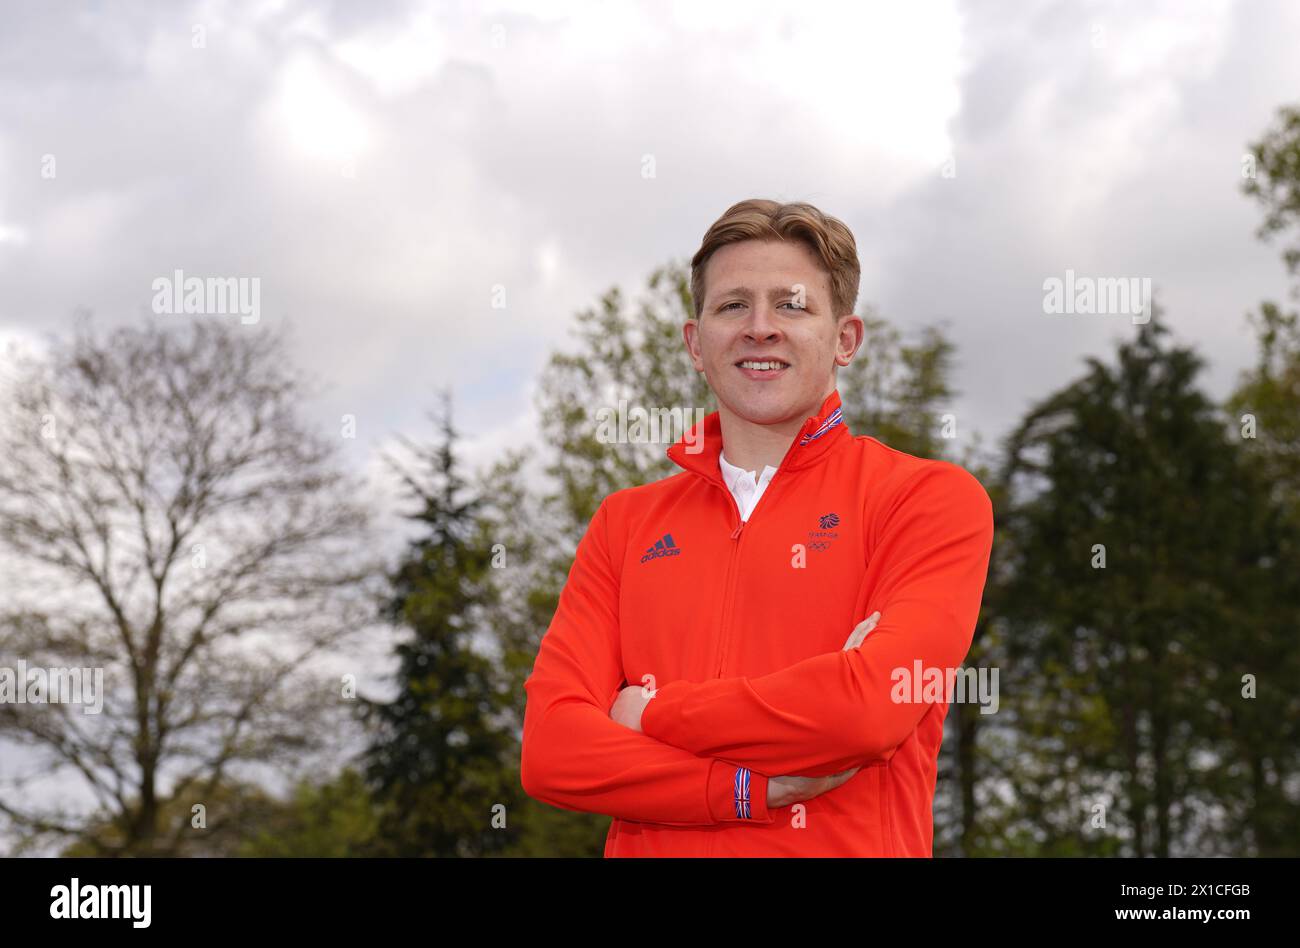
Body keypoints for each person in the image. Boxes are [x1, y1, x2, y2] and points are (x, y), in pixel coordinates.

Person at [520, 198, 994, 856]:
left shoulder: (925, 499)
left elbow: (865, 712)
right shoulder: (623, 525)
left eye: (793, 305)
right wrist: (747, 790)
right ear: (696, 343)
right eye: (733, 305)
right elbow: (553, 752)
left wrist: (650, 714)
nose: (760, 328)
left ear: (845, 340)